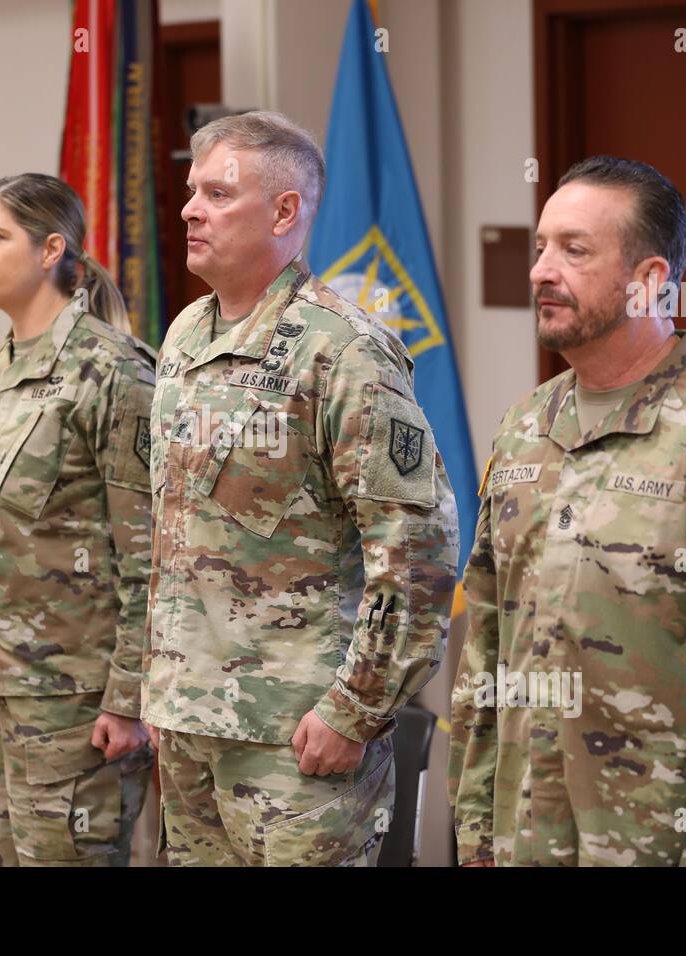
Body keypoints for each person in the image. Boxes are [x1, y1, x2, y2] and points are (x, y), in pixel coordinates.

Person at [448, 156, 686, 867]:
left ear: (649, 281)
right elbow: (487, 650)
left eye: (574, 250)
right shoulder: (526, 424)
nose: (540, 272)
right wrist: (474, 837)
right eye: (540, 247)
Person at [140, 110, 459, 866]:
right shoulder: (187, 334)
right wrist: (163, 687)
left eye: (217, 193)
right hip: (190, 727)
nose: (189, 208)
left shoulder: (344, 350)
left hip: (297, 739)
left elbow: (415, 552)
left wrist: (355, 711)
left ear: (285, 211)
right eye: (192, 191)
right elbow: (170, 532)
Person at [0, 173, 155, 866]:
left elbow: (148, 554)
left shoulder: (113, 372)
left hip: (75, 701)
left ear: (50, 250)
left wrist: (128, 699)